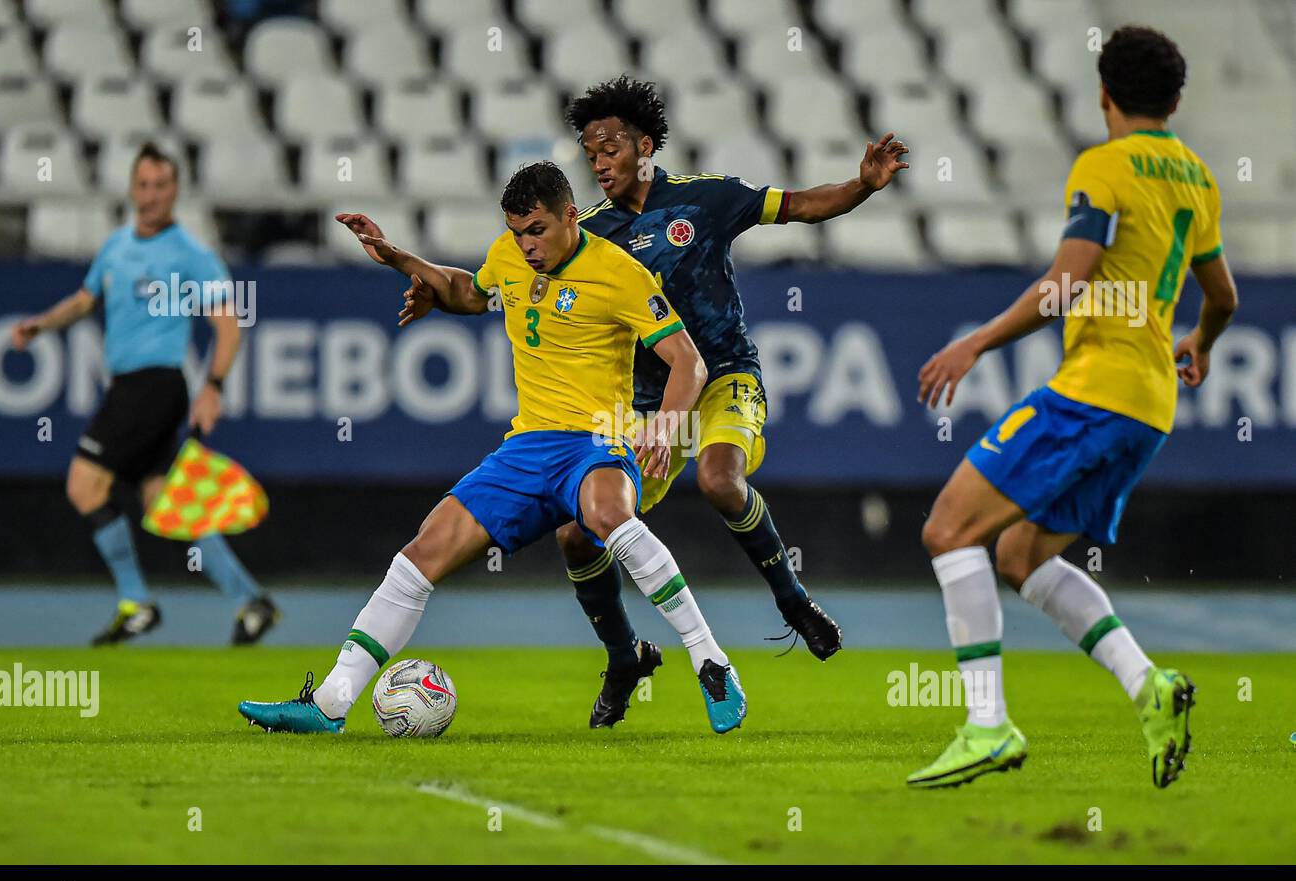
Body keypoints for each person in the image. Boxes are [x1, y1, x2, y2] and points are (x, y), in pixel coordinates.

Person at [404, 76, 909, 728]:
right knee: (575, 533)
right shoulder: (584, 233)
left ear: (645, 144)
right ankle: (623, 658)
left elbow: (803, 206)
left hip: (724, 375)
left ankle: (792, 600)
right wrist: (428, 285)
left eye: (610, 146)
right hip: (643, 403)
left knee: (721, 477)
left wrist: (862, 184)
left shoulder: (708, 198)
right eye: (589, 152)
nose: (600, 161)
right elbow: (488, 289)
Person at [238, 162, 747, 735]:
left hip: (596, 441)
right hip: (526, 449)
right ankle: (329, 704)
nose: (526, 245)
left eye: (537, 230)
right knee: (421, 554)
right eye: (517, 231)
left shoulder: (619, 273)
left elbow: (688, 360)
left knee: (609, 515)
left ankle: (710, 660)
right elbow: (472, 291)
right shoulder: (508, 254)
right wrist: (405, 262)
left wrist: (665, 425)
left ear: (569, 217)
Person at [908, 26, 1237, 789]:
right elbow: (1223, 296)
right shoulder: (1198, 177)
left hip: (1096, 388)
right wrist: (1202, 341)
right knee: (1019, 555)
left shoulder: (1103, 165)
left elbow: (1068, 281)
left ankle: (987, 724)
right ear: (1176, 101)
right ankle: (1149, 686)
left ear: (1103, 94)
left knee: (947, 528)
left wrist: (978, 342)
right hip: (1151, 406)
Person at [12, 143, 279, 646]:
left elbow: (228, 327)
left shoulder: (191, 254)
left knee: (83, 485)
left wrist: (214, 387)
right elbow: (86, 300)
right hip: (132, 387)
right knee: (165, 501)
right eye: (143, 185)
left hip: (154, 387)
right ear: (132, 189)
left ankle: (137, 603)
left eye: (160, 186)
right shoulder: (116, 246)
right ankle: (251, 602)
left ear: (175, 191)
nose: (151, 195)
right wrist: (41, 326)